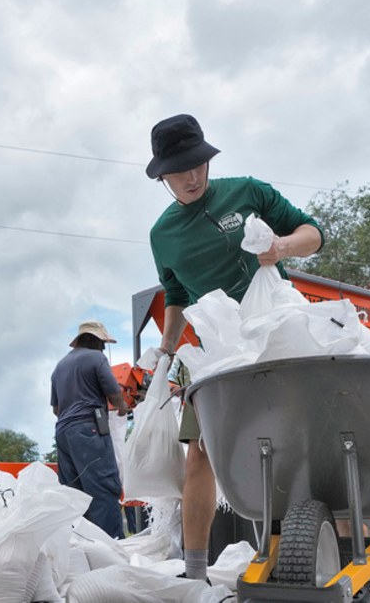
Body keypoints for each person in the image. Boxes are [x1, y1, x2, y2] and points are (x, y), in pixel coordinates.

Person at [146, 113, 323, 581]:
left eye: (196, 165)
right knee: (200, 450)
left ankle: (312, 548)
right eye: (177, 170)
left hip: (277, 334)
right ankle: (195, 569)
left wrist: (282, 247)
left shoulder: (247, 191)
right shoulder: (162, 235)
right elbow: (177, 296)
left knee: (302, 442)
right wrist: (164, 354)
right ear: (160, 173)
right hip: (216, 353)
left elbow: (314, 233)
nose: (190, 177)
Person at [50, 320, 128, 539]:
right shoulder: (96, 358)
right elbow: (114, 393)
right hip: (90, 430)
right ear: (92, 340)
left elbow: (56, 409)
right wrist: (123, 407)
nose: (104, 348)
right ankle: (111, 548)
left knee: (74, 494)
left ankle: (79, 547)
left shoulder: (59, 366)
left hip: (64, 433)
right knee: (104, 488)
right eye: (102, 343)